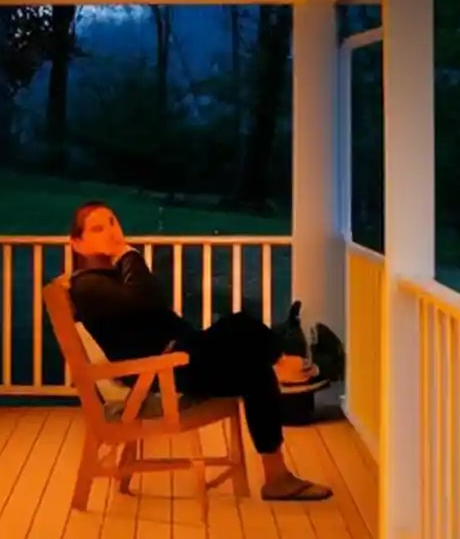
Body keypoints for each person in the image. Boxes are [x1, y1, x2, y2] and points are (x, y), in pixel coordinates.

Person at [67, 200, 333, 502]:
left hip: (174, 359)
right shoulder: (89, 287)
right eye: (98, 228)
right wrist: (128, 253)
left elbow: (151, 303)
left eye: (113, 222)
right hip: (164, 371)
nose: (111, 232)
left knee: (254, 371)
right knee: (239, 325)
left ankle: (277, 477)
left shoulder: (109, 279)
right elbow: (147, 298)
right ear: (77, 243)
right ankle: (288, 367)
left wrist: (125, 260)